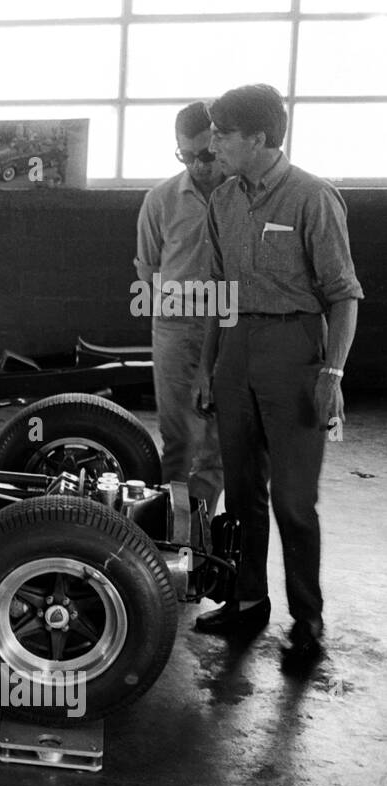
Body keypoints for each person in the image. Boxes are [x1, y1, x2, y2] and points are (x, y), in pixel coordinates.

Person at [191, 84, 362, 667]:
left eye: (222, 134)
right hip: (237, 350)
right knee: (240, 493)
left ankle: (307, 621)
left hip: (295, 351)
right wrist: (211, 367)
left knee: (292, 500)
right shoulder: (223, 201)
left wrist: (332, 371)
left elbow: (344, 295)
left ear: (258, 138)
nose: (212, 145)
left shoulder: (313, 197)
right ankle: (246, 600)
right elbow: (219, 294)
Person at [133, 101, 225, 512]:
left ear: (219, 142)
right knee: (178, 433)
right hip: (173, 322)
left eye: (206, 155)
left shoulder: (241, 196)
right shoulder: (161, 200)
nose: (197, 165)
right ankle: (172, 522)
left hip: (228, 318)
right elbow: (148, 267)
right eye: (186, 156)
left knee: (218, 436)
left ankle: (202, 525)